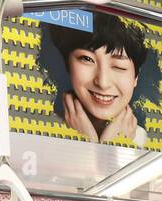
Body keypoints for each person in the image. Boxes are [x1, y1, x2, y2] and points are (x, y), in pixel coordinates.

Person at [44, 12, 150, 147]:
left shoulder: (151, 147)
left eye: (119, 67)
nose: (103, 82)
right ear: (67, 63)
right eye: (87, 59)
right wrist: (87, 143)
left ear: (136, 77)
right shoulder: (40, 129)